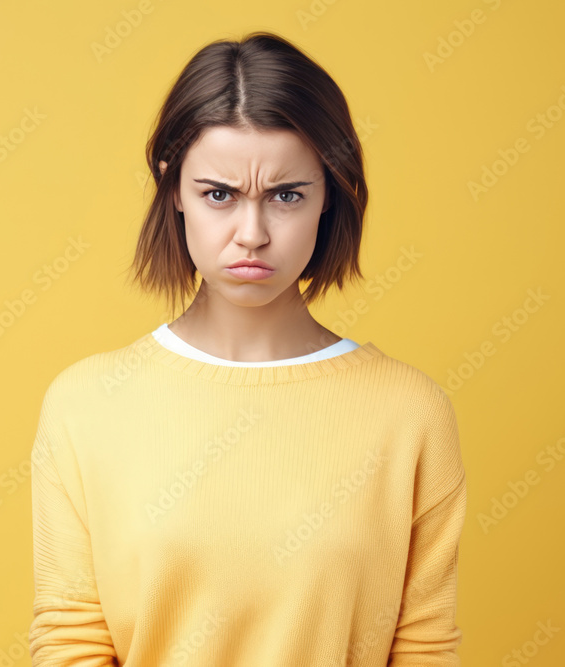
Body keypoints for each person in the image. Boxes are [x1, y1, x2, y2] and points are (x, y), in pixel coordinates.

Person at [29, 30, 467, 666]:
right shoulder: (84, 405)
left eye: (287, 196)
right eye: (220, 194)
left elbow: (424, 648)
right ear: (173, 188)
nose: (253, 234)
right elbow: (71, 641)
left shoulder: (411, 413)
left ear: (330, 196)